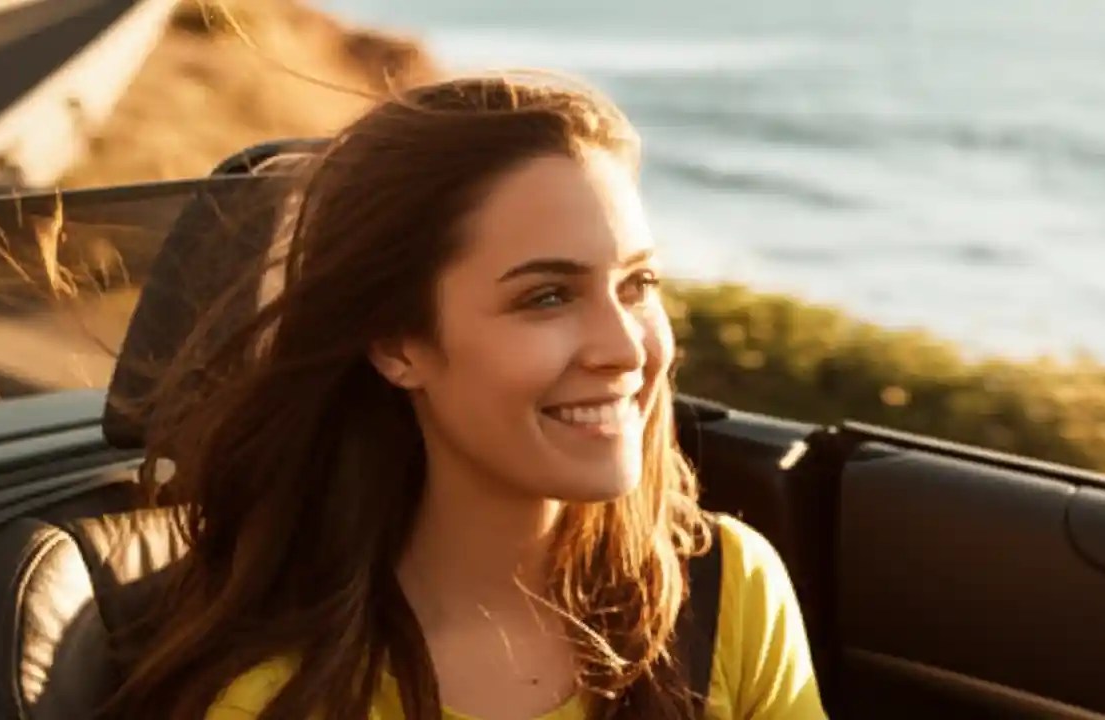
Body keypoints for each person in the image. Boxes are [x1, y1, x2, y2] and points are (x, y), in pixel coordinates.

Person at [108, 74, 827, 720]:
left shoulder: (726, 593)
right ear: (398, 346)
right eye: (546, 297)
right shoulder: (283, 700)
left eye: (637, 286)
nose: (625, 347)